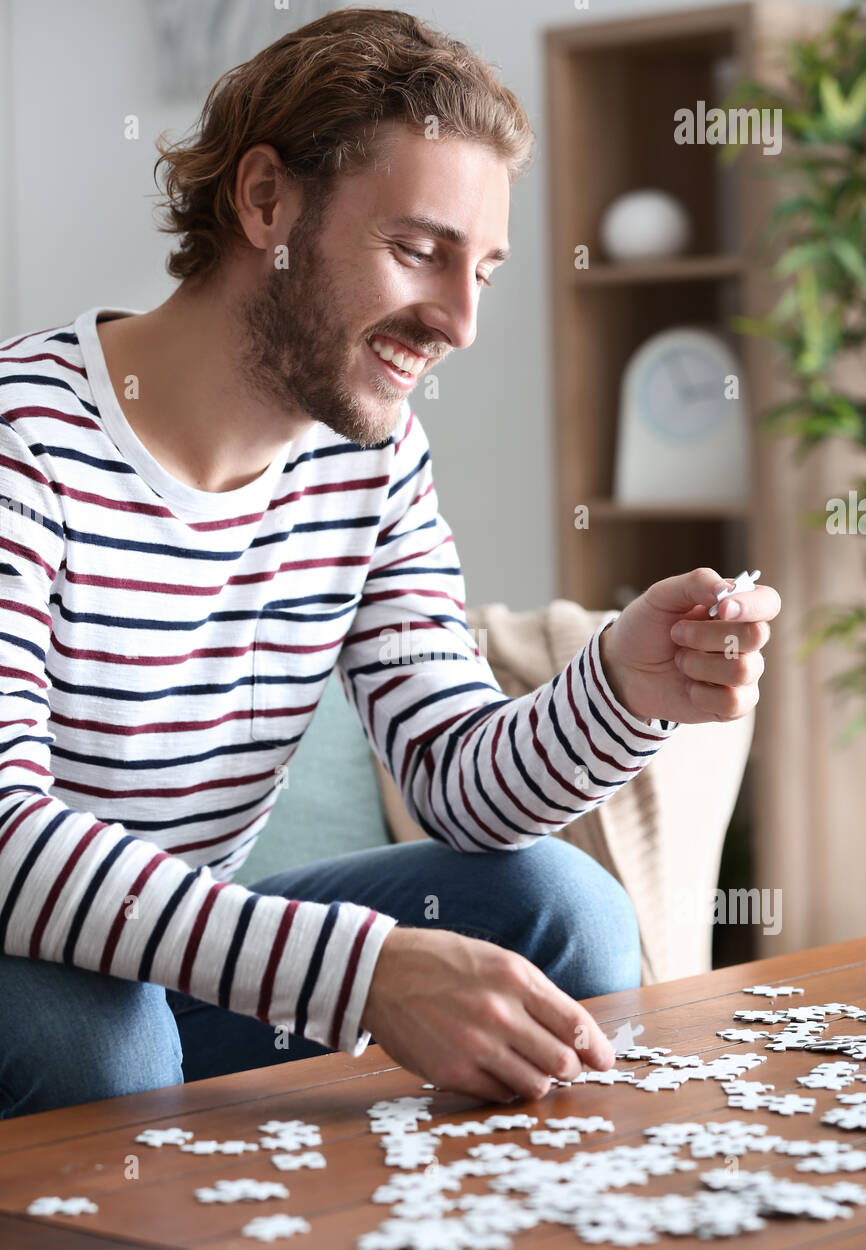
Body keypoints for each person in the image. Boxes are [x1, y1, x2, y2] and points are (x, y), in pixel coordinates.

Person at [0, 8, 778, 1118]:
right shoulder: (22, 439)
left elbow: (454, 775)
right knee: (102, 1034)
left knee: (562, 903)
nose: (458, 321)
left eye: (486, 270)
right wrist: (366, 973)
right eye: (418, 250)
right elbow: (8, 844)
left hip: (173, 970)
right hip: (33, 969)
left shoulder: (369, 458)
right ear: (265, 201)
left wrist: (617, 686)